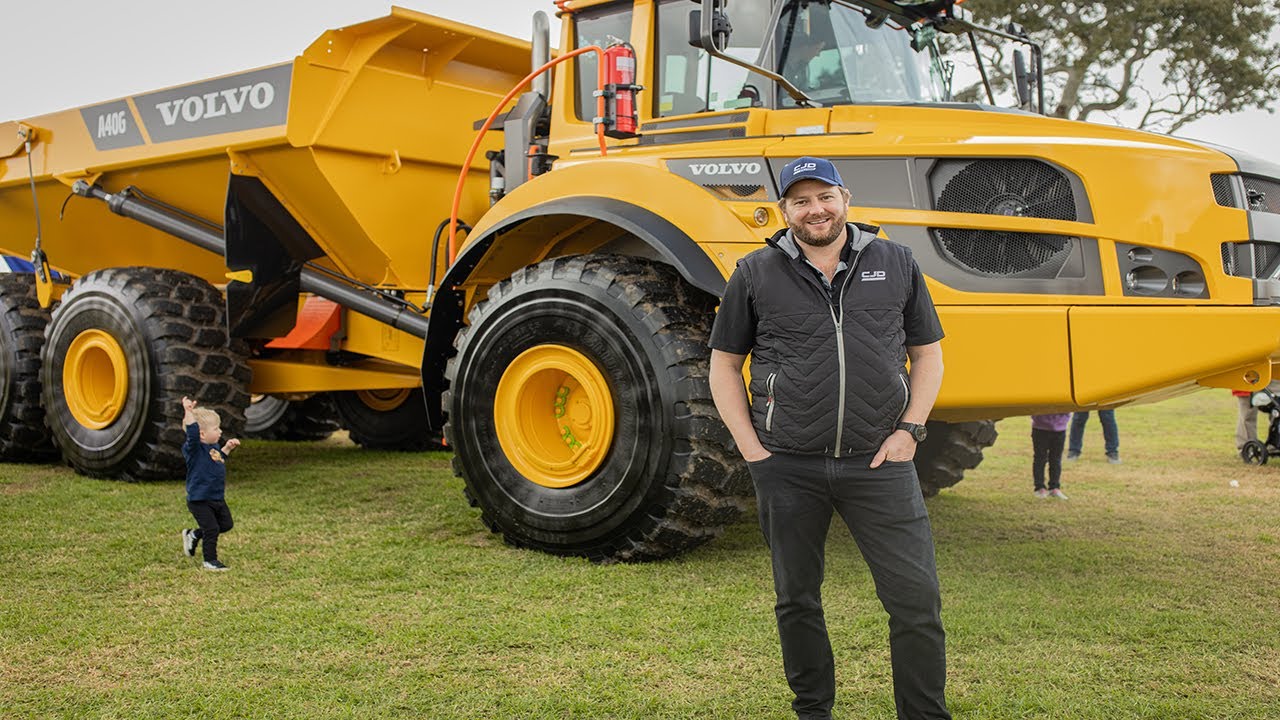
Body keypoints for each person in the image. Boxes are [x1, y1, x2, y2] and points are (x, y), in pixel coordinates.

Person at [708, 156, 950, 720]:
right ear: (785, 208)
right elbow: (723, 365)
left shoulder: (896, 262)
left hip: (881, 462)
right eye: (801, 200)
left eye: (824, 196)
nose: (815, 209)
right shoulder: (755, 271)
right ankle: (812, 710)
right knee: (797, 600)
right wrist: (753, 450)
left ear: (846, 198)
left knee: (915, 602)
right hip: (787, 465)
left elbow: (928, 354)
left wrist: (910, 430)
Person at [179, 396, 240, 571]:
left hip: (217, 497)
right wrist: (188, 412)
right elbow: (191, 431)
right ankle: (210, 561)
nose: (220, 431)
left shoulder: (213, 448)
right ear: (202, 433)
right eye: (216, 428)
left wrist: (227, 448)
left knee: (226, 525)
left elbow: (218, 460)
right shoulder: (194, 449)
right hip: (200, 500)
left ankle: (194, 534)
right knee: (212, 529)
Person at [1030, 413, 1071, 499]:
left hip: (1060, 429)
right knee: (1040, 459)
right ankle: (1039, 487)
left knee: (1056, 460)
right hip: (1040, 428)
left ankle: (1054, 487)